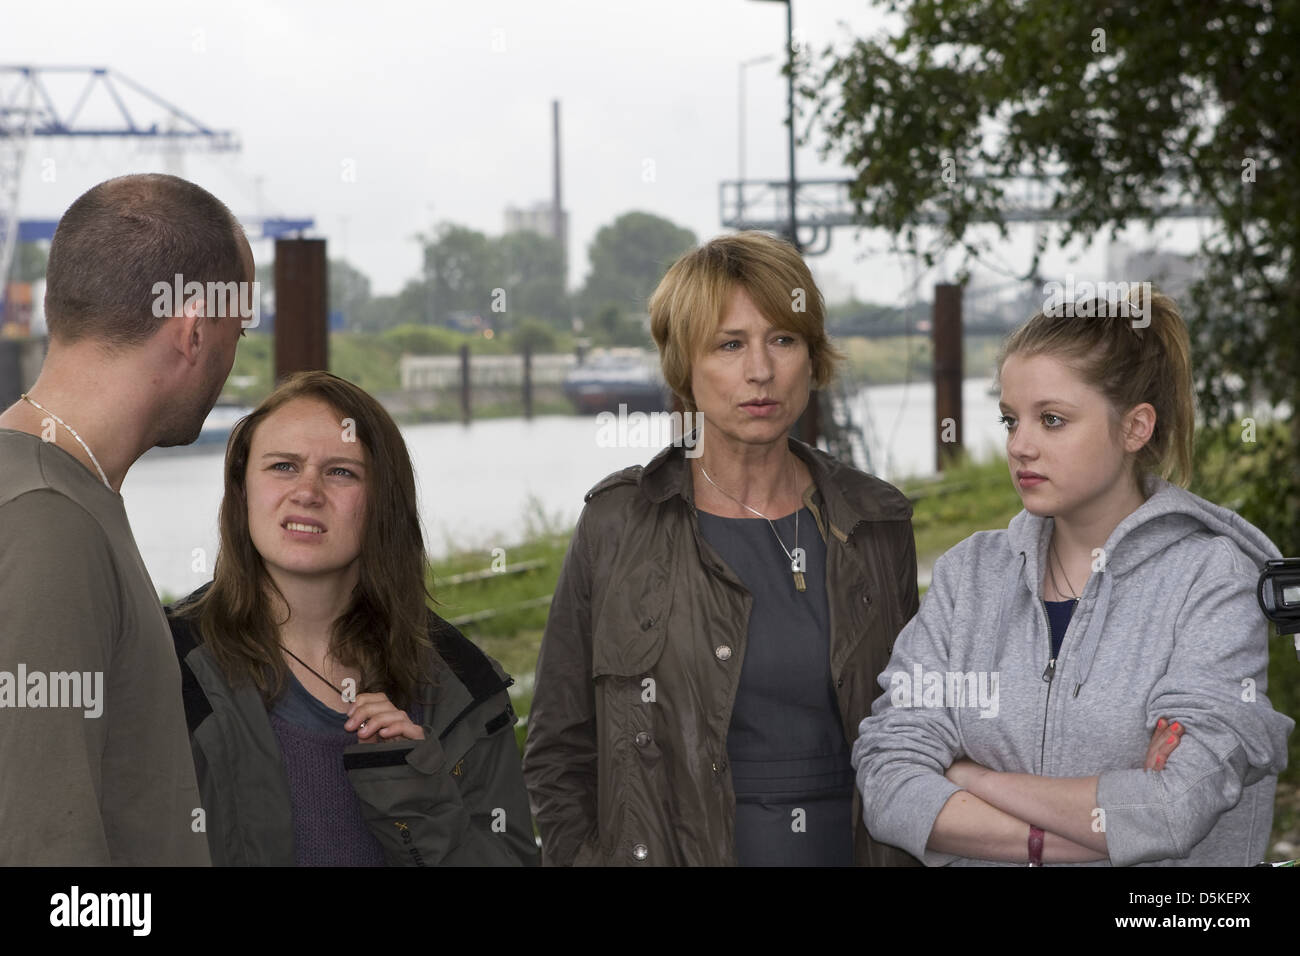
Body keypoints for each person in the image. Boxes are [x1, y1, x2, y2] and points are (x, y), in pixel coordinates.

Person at [854, 290, 1294, 866]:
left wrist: (970, 777)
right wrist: (1071, 835)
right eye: (1010, 419)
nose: (1019, 445)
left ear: (1135, 427)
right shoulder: (970, 576)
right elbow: (888, 778)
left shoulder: (1209, 581)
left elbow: (1172, 809)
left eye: (1052, 419)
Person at [523, 231, 920, 866]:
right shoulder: (620, 522)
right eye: (729, 345)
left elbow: (918, 729)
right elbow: (559, 747)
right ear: (685, 366)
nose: (759, 371)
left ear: (811, 357)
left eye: (782, 340)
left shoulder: (876, 521)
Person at [166, 370, 538, 866]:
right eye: (282, 466)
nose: (307, 492)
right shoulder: (169, 663)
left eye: (341, 471)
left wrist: (419, 796)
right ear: (242, 490)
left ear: (383, 502)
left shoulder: (461, 686)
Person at [0, 173, 251, 865]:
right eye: (241, 324)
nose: (236, 353)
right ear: (194, 330)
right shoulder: (48, 524)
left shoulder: (56, 493)